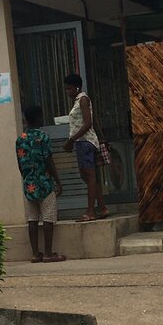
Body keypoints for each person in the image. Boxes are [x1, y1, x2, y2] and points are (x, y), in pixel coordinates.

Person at [16, 105, 65, 263]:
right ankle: (49, 253)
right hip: (44, 182)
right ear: (38, 118)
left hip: (29, 183)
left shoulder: (20, 139)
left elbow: (20, 163)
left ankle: (36, 253)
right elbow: (48, 161)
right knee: (48, 217)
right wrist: (57, 181)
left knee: (32, 218)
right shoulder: (43, 137)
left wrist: (26, 178)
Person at [62, 73, 109, 222]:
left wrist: (72, 140)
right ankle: (102, 207)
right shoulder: (80, 100)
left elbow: (88, 123)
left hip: (85, 142)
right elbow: (93, 120)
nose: (67, 92)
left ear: (76, 87)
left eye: (69, 89)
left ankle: (90, 212)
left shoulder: (83, 100)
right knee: (89, 177)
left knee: (89, 177)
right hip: (84, 141)